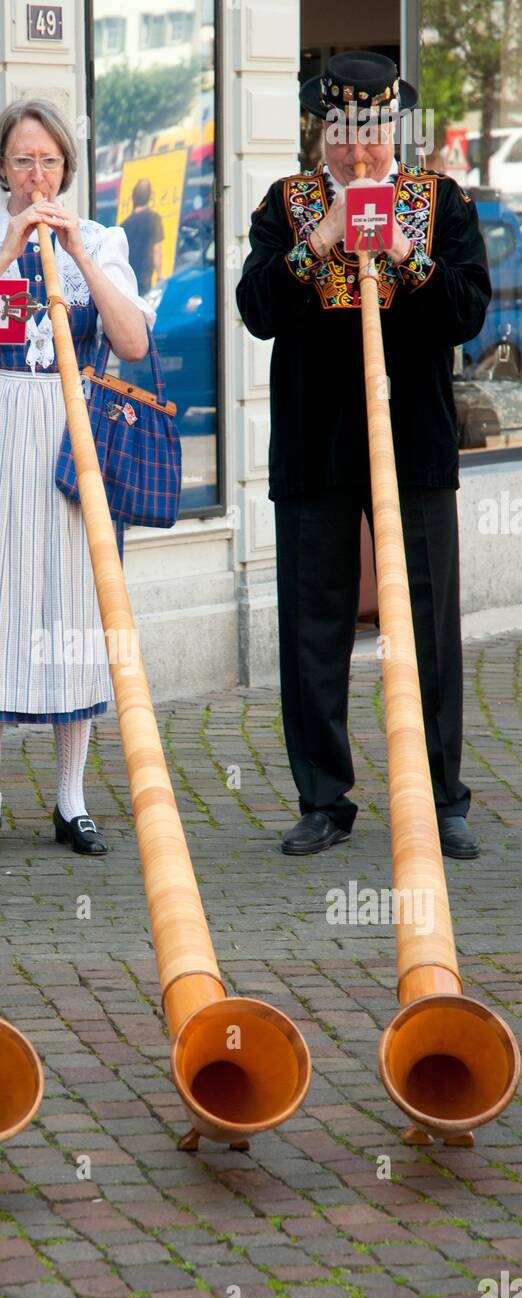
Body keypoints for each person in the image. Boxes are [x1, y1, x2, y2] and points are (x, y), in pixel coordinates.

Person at [236, 52, 490, 860]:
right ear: (321, 134)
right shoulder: (286, 205)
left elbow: (466, 313)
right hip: (314, 443)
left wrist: (409, 256)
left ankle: (442, 795)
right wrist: (322, 241)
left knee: (427, 625)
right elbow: (256, 310)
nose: (358, 152)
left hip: (412, 441)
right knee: (313, 625)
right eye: (342, 134)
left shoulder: (441, 202)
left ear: (393, 131)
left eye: (373, 132)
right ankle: (322, 798)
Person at [0, 98, 153, 862]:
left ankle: (71, 797)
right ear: (0, 166)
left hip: (73, 435)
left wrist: (80, 255)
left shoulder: (105, 240)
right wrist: (4, 255)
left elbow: (135, 342)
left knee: (73, 603)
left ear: (67, 169)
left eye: (49, 160)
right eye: (22, 160)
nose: (36, 174)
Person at [121, 179, 164, 294]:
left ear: (133, 197)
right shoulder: (154, 219)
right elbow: (157, 250)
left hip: (127, 279)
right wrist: (160, 276)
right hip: (145, 278)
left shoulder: (124, 225)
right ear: (149, 197)